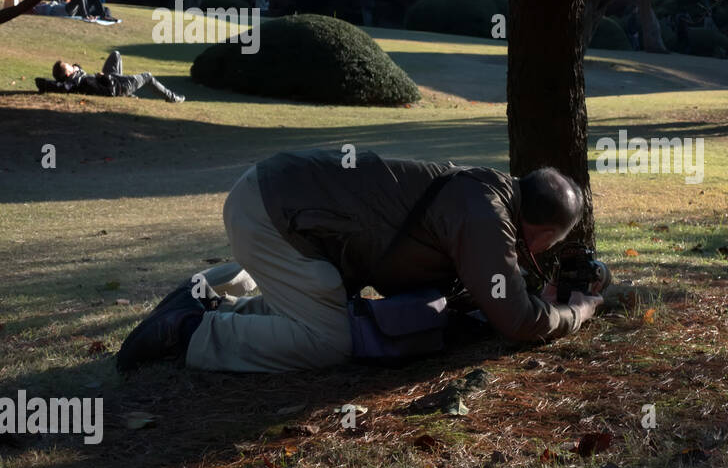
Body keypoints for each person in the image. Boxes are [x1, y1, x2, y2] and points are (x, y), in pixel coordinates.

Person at [115, 151, 605, 374]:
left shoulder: (486, 193)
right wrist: (577, 310)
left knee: (318, 309)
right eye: (544, 247)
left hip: (274, 206)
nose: (538, 256)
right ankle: (188, 331)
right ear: (539, 234)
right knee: (329, 340)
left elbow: (488, 292)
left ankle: (212, 295)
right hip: (271, 216)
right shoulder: (484, 214)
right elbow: (516, 320)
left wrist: (526, 291)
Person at [38, 51, 185, 102]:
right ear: (69, 73)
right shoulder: (81, 82)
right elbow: (108, 92)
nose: (73, 65)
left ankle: (125, 92)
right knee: (147, 76)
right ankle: (172, 98)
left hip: (111, 80)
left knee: (115, 55)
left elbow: (77, 69)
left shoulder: (75, 77)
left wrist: (76, 68)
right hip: (117, 87)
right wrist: (104, 78)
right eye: (70, 66)